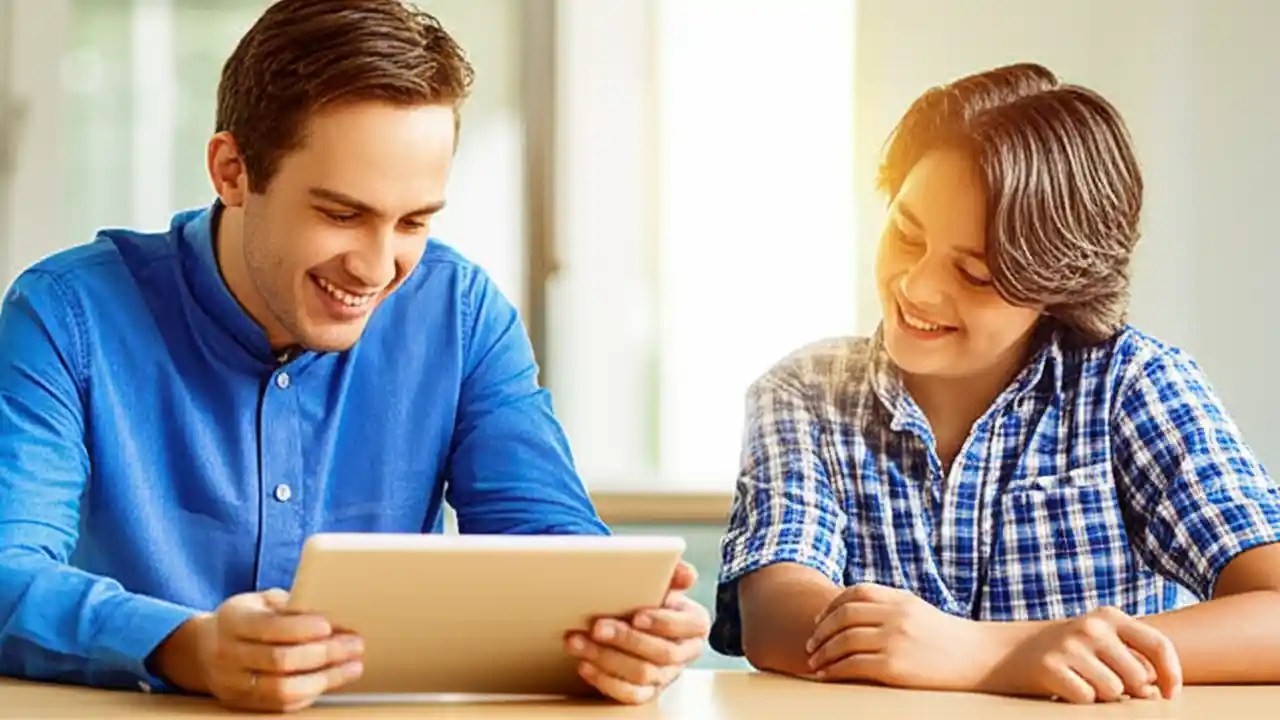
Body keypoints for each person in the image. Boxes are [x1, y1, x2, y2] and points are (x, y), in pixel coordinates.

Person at [0, 0, 708, 712]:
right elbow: (7, 570)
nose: (376, 268)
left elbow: (554, 551)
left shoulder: (460, 314)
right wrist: (187, 647)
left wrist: (625, 632)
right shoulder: (67, 315)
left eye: (414, 222)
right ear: (232, 171)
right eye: (341, 214)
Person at [711, 62, 1280, 704]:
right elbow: (775, 613)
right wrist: (1005, 657)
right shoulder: (804, 393)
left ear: (1058, 283)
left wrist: (984, 651)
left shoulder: (1131, 385)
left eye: (975, 274)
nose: (917, 287)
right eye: (907, 235)